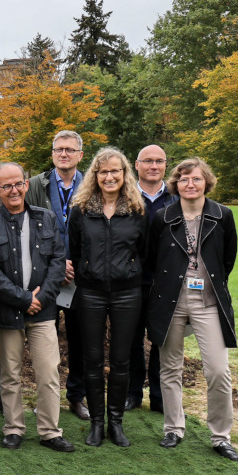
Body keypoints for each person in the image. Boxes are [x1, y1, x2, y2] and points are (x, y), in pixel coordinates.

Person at [148, 158, 238, 461]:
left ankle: (220, 436)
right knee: (170, 367)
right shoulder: (162, 217)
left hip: (208, 301)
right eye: (184, 179)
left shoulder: (222, 215)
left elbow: (227, 259)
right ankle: (173, 428)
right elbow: (152, 258)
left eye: (196, 179)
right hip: (170, 299)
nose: (190, 184)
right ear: (176, 183)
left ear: (206, 182)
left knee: (218, 370)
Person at [0, 162, 74, 453]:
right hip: (7, 312)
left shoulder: (46, 219)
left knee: (48, 373)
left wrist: (41, 298)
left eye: (18, 183)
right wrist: (22, 298)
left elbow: (58, 262)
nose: (14, 190)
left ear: (26, 184)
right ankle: (13, 428)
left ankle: (50, 432)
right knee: (10, 374)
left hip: (43, 311)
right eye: (6, 186)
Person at [69, 147, 147, 447]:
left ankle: (116, 423)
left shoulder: (137, 210)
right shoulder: (82, 209)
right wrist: (87, 270)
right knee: (91, 359)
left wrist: (129, 271)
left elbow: (145, 252)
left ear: (124, 174)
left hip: (128, 293)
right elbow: (74, 250)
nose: (110, 176)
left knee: (121, 360)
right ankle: (97, 424)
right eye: (104, 171)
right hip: (90, 292)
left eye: (116, 170)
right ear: (95, 175)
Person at [26, 130, 90, 421]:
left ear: (80, 154)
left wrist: (74, 262)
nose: (63, 154)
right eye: (58, 149)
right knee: (45, 344)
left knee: (80, 341)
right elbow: (31, 227)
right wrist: (56, 265)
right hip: (46, 275)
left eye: (69, 149)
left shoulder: (92, 183)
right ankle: (46, 400)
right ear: (52, 154)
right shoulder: (38, 185)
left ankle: (77, 397)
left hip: (81, 275)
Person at [127, 145, 178, 413]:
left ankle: (159, 396)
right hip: (133, 279)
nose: (154, 166)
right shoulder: (125, 194)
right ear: (137, 165)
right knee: (132, 339)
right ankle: (133, 393)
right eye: (148, 161)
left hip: (165, 281)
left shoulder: (176, 197)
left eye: (159, 161)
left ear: (165, 165)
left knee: (161, 339)